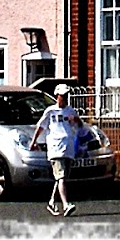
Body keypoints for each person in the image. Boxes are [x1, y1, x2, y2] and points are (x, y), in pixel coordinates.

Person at [30, 83, 83, 218]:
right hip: (55, 147)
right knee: (61, 177)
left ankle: (52, 202)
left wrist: (76, 120)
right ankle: (66, 205)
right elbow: (40, 127)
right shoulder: (50, 111)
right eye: (62, 96)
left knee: (62, 177)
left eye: (66, 96)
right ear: (57, 96)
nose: (64, 98)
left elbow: (80, 125)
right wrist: (33, 142)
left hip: (68, 147)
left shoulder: (71, 111)